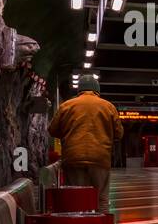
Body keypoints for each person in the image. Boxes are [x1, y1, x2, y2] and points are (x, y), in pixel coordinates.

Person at [48, 73, 122, 206]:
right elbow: (119, 133)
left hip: (73, 158)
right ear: (97, 90)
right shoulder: (108, 107)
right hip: (100, 159)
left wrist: (68, 134)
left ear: (79, 90)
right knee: (102, 199)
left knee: (76, 198)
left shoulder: (66, 106)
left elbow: (52, 130)